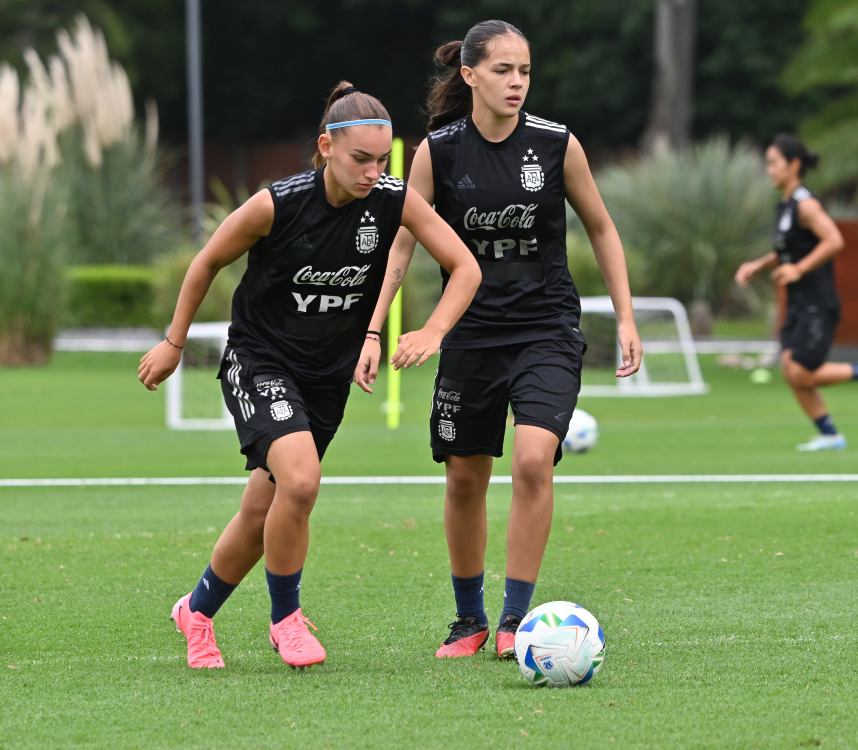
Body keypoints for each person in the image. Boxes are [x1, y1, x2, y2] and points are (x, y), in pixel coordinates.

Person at [138, 82, 481, 670]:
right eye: (360, 159)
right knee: (300, 483)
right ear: (326, 147)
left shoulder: (394, 200)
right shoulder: (277, 204)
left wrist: (431, 331)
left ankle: (195, 610)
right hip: (260, 360)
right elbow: (207, 261)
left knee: (264, 508)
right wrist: (174, 342)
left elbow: (465, 267)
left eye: (383, 160)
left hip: (325, 377)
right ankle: (286, 621)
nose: (374, 172)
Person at [355, 21, 642, 660]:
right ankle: (469, 620)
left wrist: (625, 317)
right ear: (470, 75)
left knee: (534, 460)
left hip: (546, 329)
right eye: (503, 70)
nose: (517, 83)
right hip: (471, 334)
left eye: (525, 72)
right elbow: (401, 243)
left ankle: (516, 618)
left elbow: (601, 227)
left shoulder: (556, 144)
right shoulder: (439, 151)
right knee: (464, 478)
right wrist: (373, 329)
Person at [735, 133, 856, 451]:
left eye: (774, 163)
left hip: (818, 302)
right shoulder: (785, 205)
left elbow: (834, 240)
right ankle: (830, 435)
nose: (769, 170)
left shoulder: (806, 203)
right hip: (798, 303)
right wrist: (758, 265)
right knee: (791, 369)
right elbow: (788, 250)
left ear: (794, 164)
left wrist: (799, 269)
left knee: (802, 372)